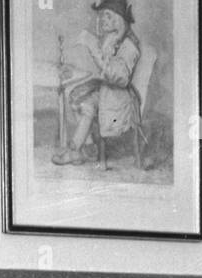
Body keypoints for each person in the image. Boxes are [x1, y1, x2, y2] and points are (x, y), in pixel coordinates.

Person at [53, 0, 142, 167]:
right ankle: (84, 148)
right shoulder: (111, 38)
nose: (102, 20)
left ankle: (77, 150)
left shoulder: (129, 45)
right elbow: (102, 67)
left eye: (107, 16)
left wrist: (92, 47)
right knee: (79, 98)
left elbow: (119, 78)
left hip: (121, 98)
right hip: (108, 91)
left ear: (118, 19)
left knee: (87, 106)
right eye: (101, 16)